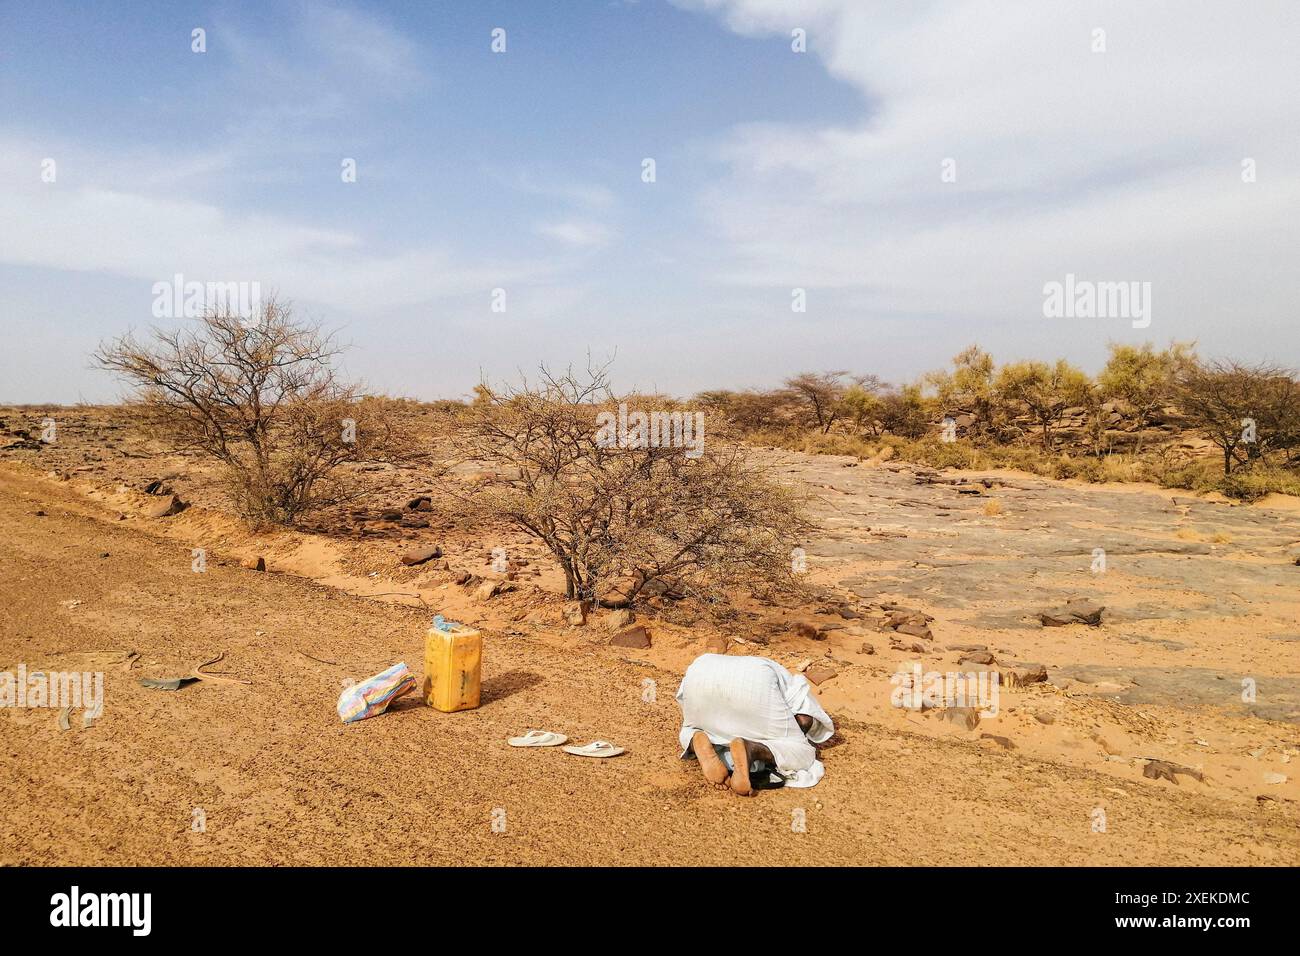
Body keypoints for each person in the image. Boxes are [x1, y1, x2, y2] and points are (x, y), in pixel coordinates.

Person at [675, 653, 834, 796]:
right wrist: (796, 734)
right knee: (804, 754)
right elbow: (805, 720)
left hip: (700, 669)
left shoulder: (780, 672)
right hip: (758, 682)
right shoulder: (801, 697)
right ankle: (752, 749)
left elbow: (683, 697)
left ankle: (694, 741)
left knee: (691, 728)